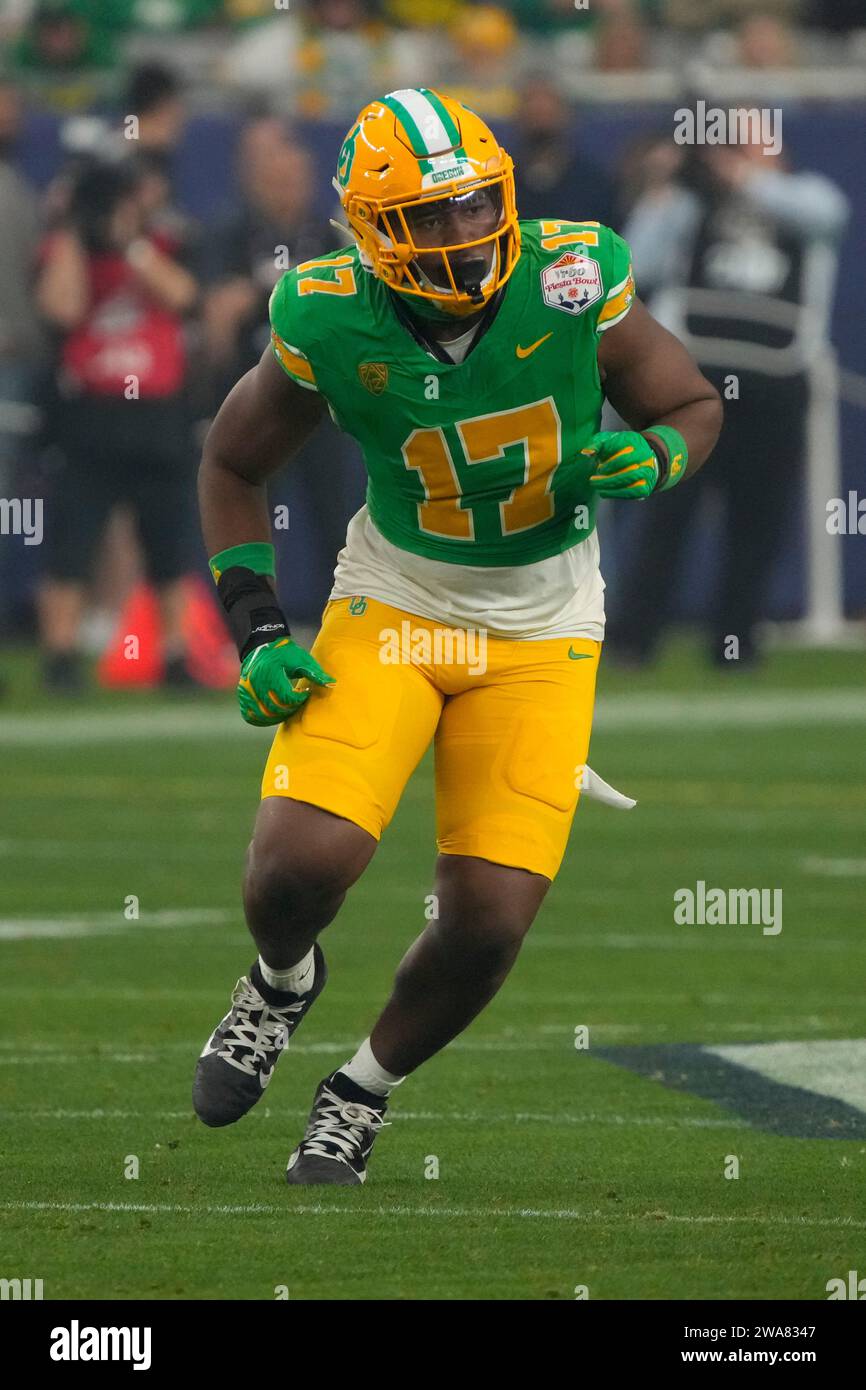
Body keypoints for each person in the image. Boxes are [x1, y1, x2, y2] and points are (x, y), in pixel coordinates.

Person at [193, 87, 722, 1185]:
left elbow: (687, 402)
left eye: (474, 201)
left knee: (485, 921)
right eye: (429, 215)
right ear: (374, 229)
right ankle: (282, 982)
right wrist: (255, 632)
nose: (461, 229)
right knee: (295, 867)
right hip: (396, 597)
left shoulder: (572, 271)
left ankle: (357, 1093)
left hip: (543, 621)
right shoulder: (326, 311)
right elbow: (233, 464)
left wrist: (658, 458)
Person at [608, 135, 849, 667]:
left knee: (756, 521)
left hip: (775, 382)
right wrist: (665, 186)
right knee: (668, 515)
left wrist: (737, 176)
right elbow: (636, 262)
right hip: (695, 384)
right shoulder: (691, 202)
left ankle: (735, 643)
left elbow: (828, 214)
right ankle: (634, 640)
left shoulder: (807, 198)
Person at [36, 159, 200, 691]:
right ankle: (61, 657)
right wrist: (73, 235)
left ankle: (175, 656)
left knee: (168, 543)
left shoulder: (160, 244)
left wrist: (130, 243)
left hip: (157, 414)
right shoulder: (67, 250)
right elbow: (62, 308)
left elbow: (182, 295)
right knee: (73, 540)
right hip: (92, 413)